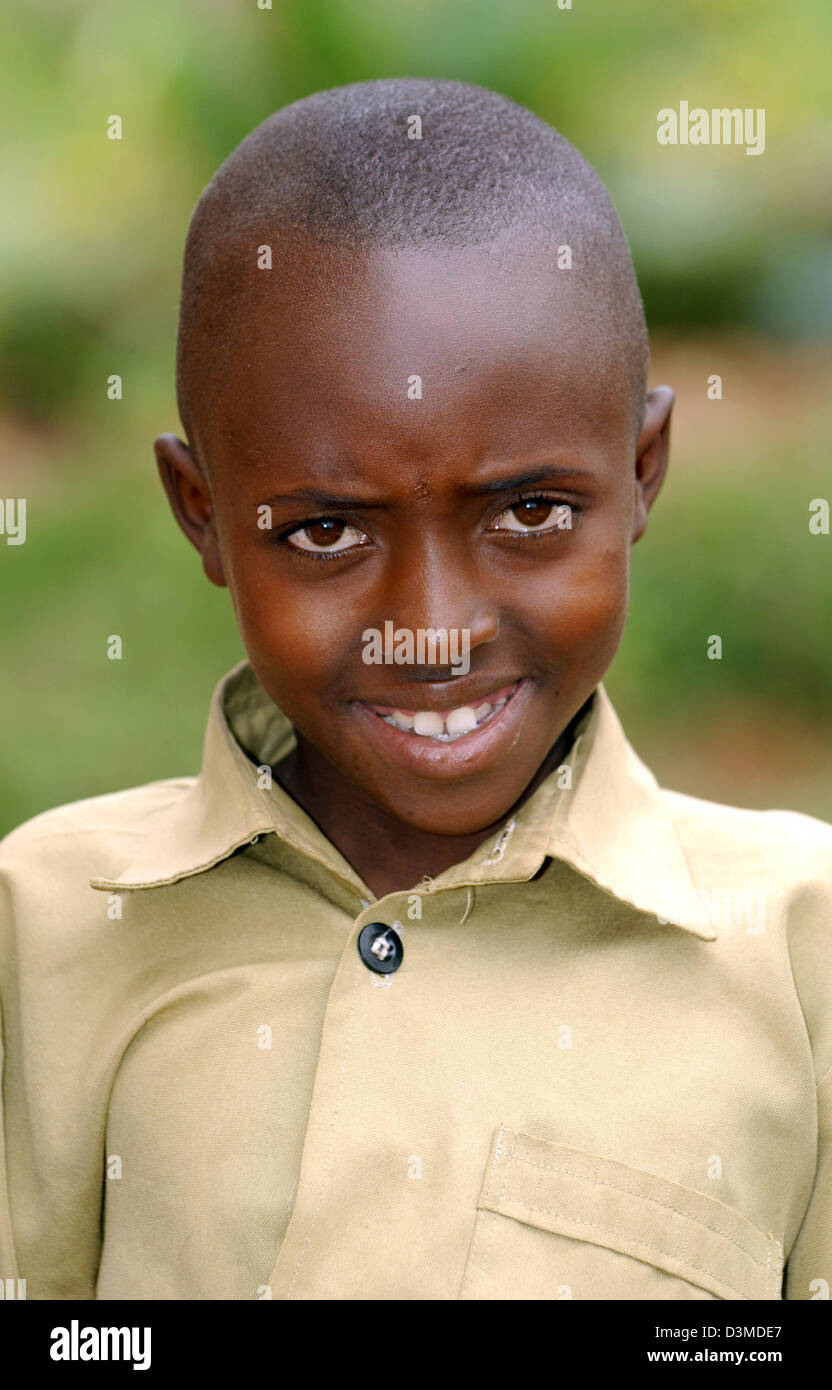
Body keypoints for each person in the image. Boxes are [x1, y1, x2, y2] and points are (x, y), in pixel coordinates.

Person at [1, 78, 829, 1301]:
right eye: (327, 531)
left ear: (642, 471)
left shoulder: (800, 955)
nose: (431, 631)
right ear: (203, 512)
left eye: (529, 511)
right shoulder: (50, 928)